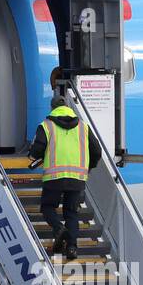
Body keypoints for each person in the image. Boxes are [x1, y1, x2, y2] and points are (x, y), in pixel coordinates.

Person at [28, 95, 100, 260]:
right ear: (68, 107)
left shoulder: (46, 126)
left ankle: (59, 228)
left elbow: (37, 150)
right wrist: (89, 167)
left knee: (47, 207)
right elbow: (97, 151)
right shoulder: (83, 127)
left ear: (52, 108)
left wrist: (33, 156)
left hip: (54, 178)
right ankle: (72, 248)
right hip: (77, 178)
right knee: (71, 213)